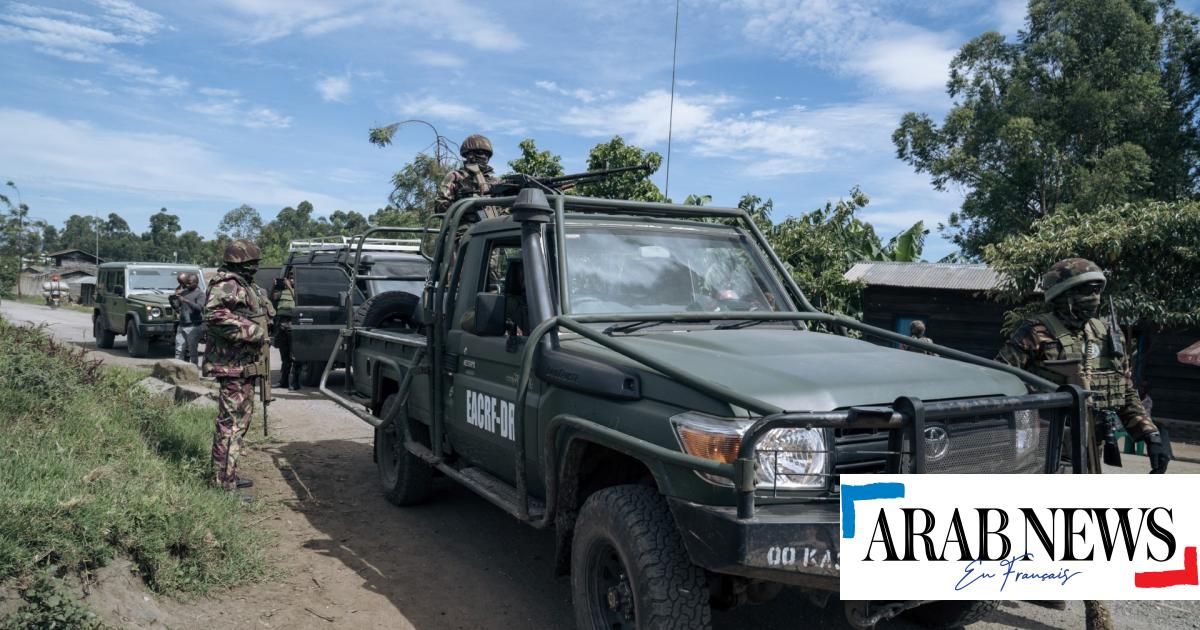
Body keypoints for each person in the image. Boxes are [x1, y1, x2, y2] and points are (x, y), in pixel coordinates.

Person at [995, 258, 1168, 475]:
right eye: (1087, 291)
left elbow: (1123, 391)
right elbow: (999, 378)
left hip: (1092, 446)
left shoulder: (1107, 334)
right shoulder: (1035, 331)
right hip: (1045, 447)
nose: (1095, 298)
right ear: (1062, 294)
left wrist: (1150, 435)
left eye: (1097, 291)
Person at [203, 239, 274, 493]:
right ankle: (223, 484)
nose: (255, 267)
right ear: (240, 262)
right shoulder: (227, 284)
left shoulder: (245, 284)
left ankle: (228, 473)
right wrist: (254, 331)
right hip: (232, 366)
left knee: (239, 424)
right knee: (231, 425)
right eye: (252, 263)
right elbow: (214, 316)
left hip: (244, 366)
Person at [435, 134, 499, 214]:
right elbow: (439, 207)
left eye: (487, 154)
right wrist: (460, 203)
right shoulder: (455, 177)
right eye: (480, 153)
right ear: (469, 154)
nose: (484, 156)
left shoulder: (494, 181)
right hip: (464, 220)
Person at [271, 269, 299, 391]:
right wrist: (273, 287)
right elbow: (271, 299)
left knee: (295, 355)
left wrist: (290, 287)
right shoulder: (283, 292)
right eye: (290, 277)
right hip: (281, 325)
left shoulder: (299, 291)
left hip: (293, 326)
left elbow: (298, 300)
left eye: (293, 277)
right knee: (284, 355)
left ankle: (295, 382)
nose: (291, 279)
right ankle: (284, 381)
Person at [173, 273, 204, 365]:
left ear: (196, 283)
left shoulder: (200, 294)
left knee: (192, 351)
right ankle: (178, 369)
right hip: (182, 325)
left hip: (193, 326)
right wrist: (173, 299)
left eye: (189, 283)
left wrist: (186, 301)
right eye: (186, 283)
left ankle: (194, 370)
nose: (187, 285)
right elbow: (176, 307)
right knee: (179, 350)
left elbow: (199, 308)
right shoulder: (184, 292)